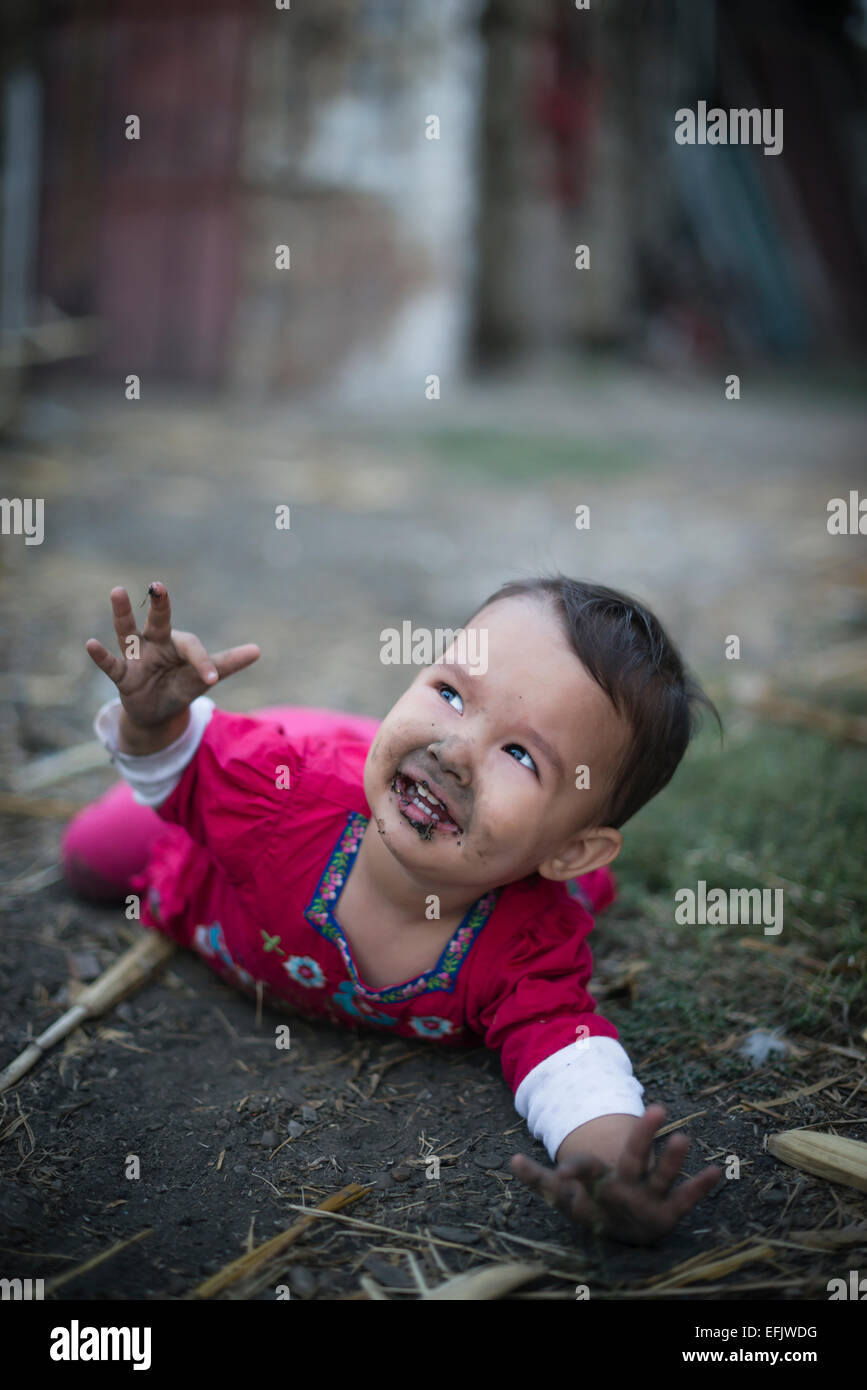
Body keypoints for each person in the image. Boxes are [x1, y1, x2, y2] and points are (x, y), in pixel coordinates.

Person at [63, 573, 723, 1245]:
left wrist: (608, 1166)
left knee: (581, 901)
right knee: (88, 856)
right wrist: (153, 721)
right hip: (261, 813)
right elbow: (181, 763)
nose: (455, 750)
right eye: (449, 693)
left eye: (520, 755)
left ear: (574, 848)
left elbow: (570, 1062)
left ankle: (425, 765)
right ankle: (327, 729)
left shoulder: (526, 944)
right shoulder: (279, 799)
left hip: (464, 823)